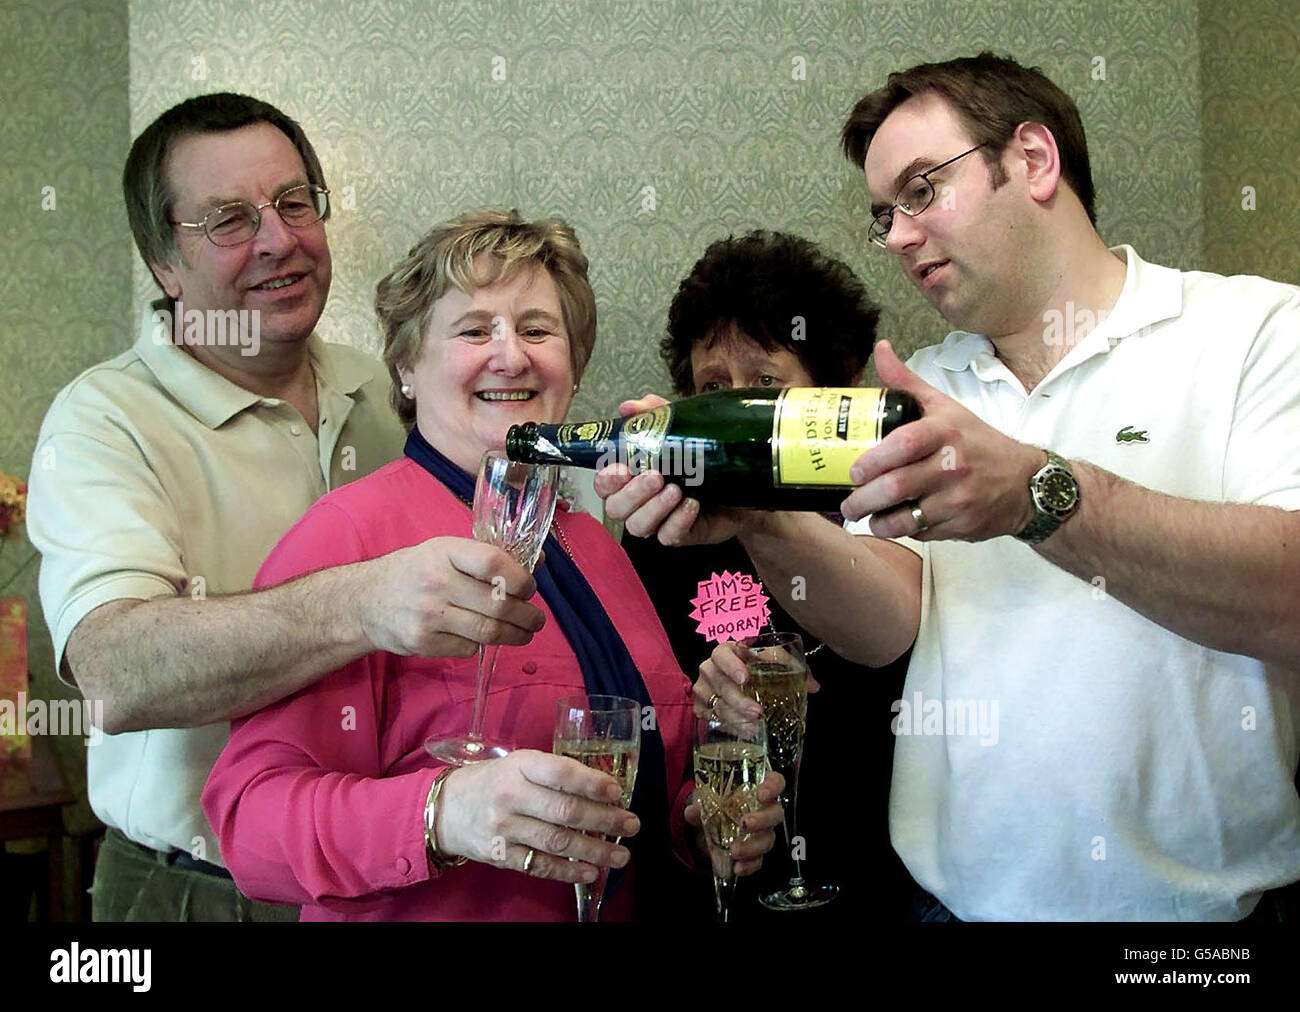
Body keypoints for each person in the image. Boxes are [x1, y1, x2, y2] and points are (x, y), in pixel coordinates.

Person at [597, 53, 1300, 921]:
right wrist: (760, 518)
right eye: (884, 215)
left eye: (921, 190)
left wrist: (1038, 495)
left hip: (1191, 922)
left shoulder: (1254, 332)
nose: (896, 234)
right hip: (948, 906)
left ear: (1034, 160)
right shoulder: (923, 388)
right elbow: (891, 625)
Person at [25, 94, 541, 921]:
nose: (279, 240)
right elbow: (114, 674)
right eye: (229, 220)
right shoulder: (103, 421)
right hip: (201, 893)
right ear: (163, 264)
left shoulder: (388, 386)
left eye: (295, 202)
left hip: (401, 876)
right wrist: (365, 602)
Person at [201, 209, 785, 921]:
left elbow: (633, 783)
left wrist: (701, 827)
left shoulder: (597, 541)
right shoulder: (347, 535)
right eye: (475, 330)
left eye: (538, 330)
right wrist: (443, 813)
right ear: (407, 368)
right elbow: (251, 828)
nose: (511, 357)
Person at [619, 230, 913, 920]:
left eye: (766, 383)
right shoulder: (665, 532)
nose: (737, 412)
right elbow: (642, 729)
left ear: (829, 391)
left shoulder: (888, 518)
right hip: (722, 889)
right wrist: (703, 707)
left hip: (881, 884)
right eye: (713, 388)